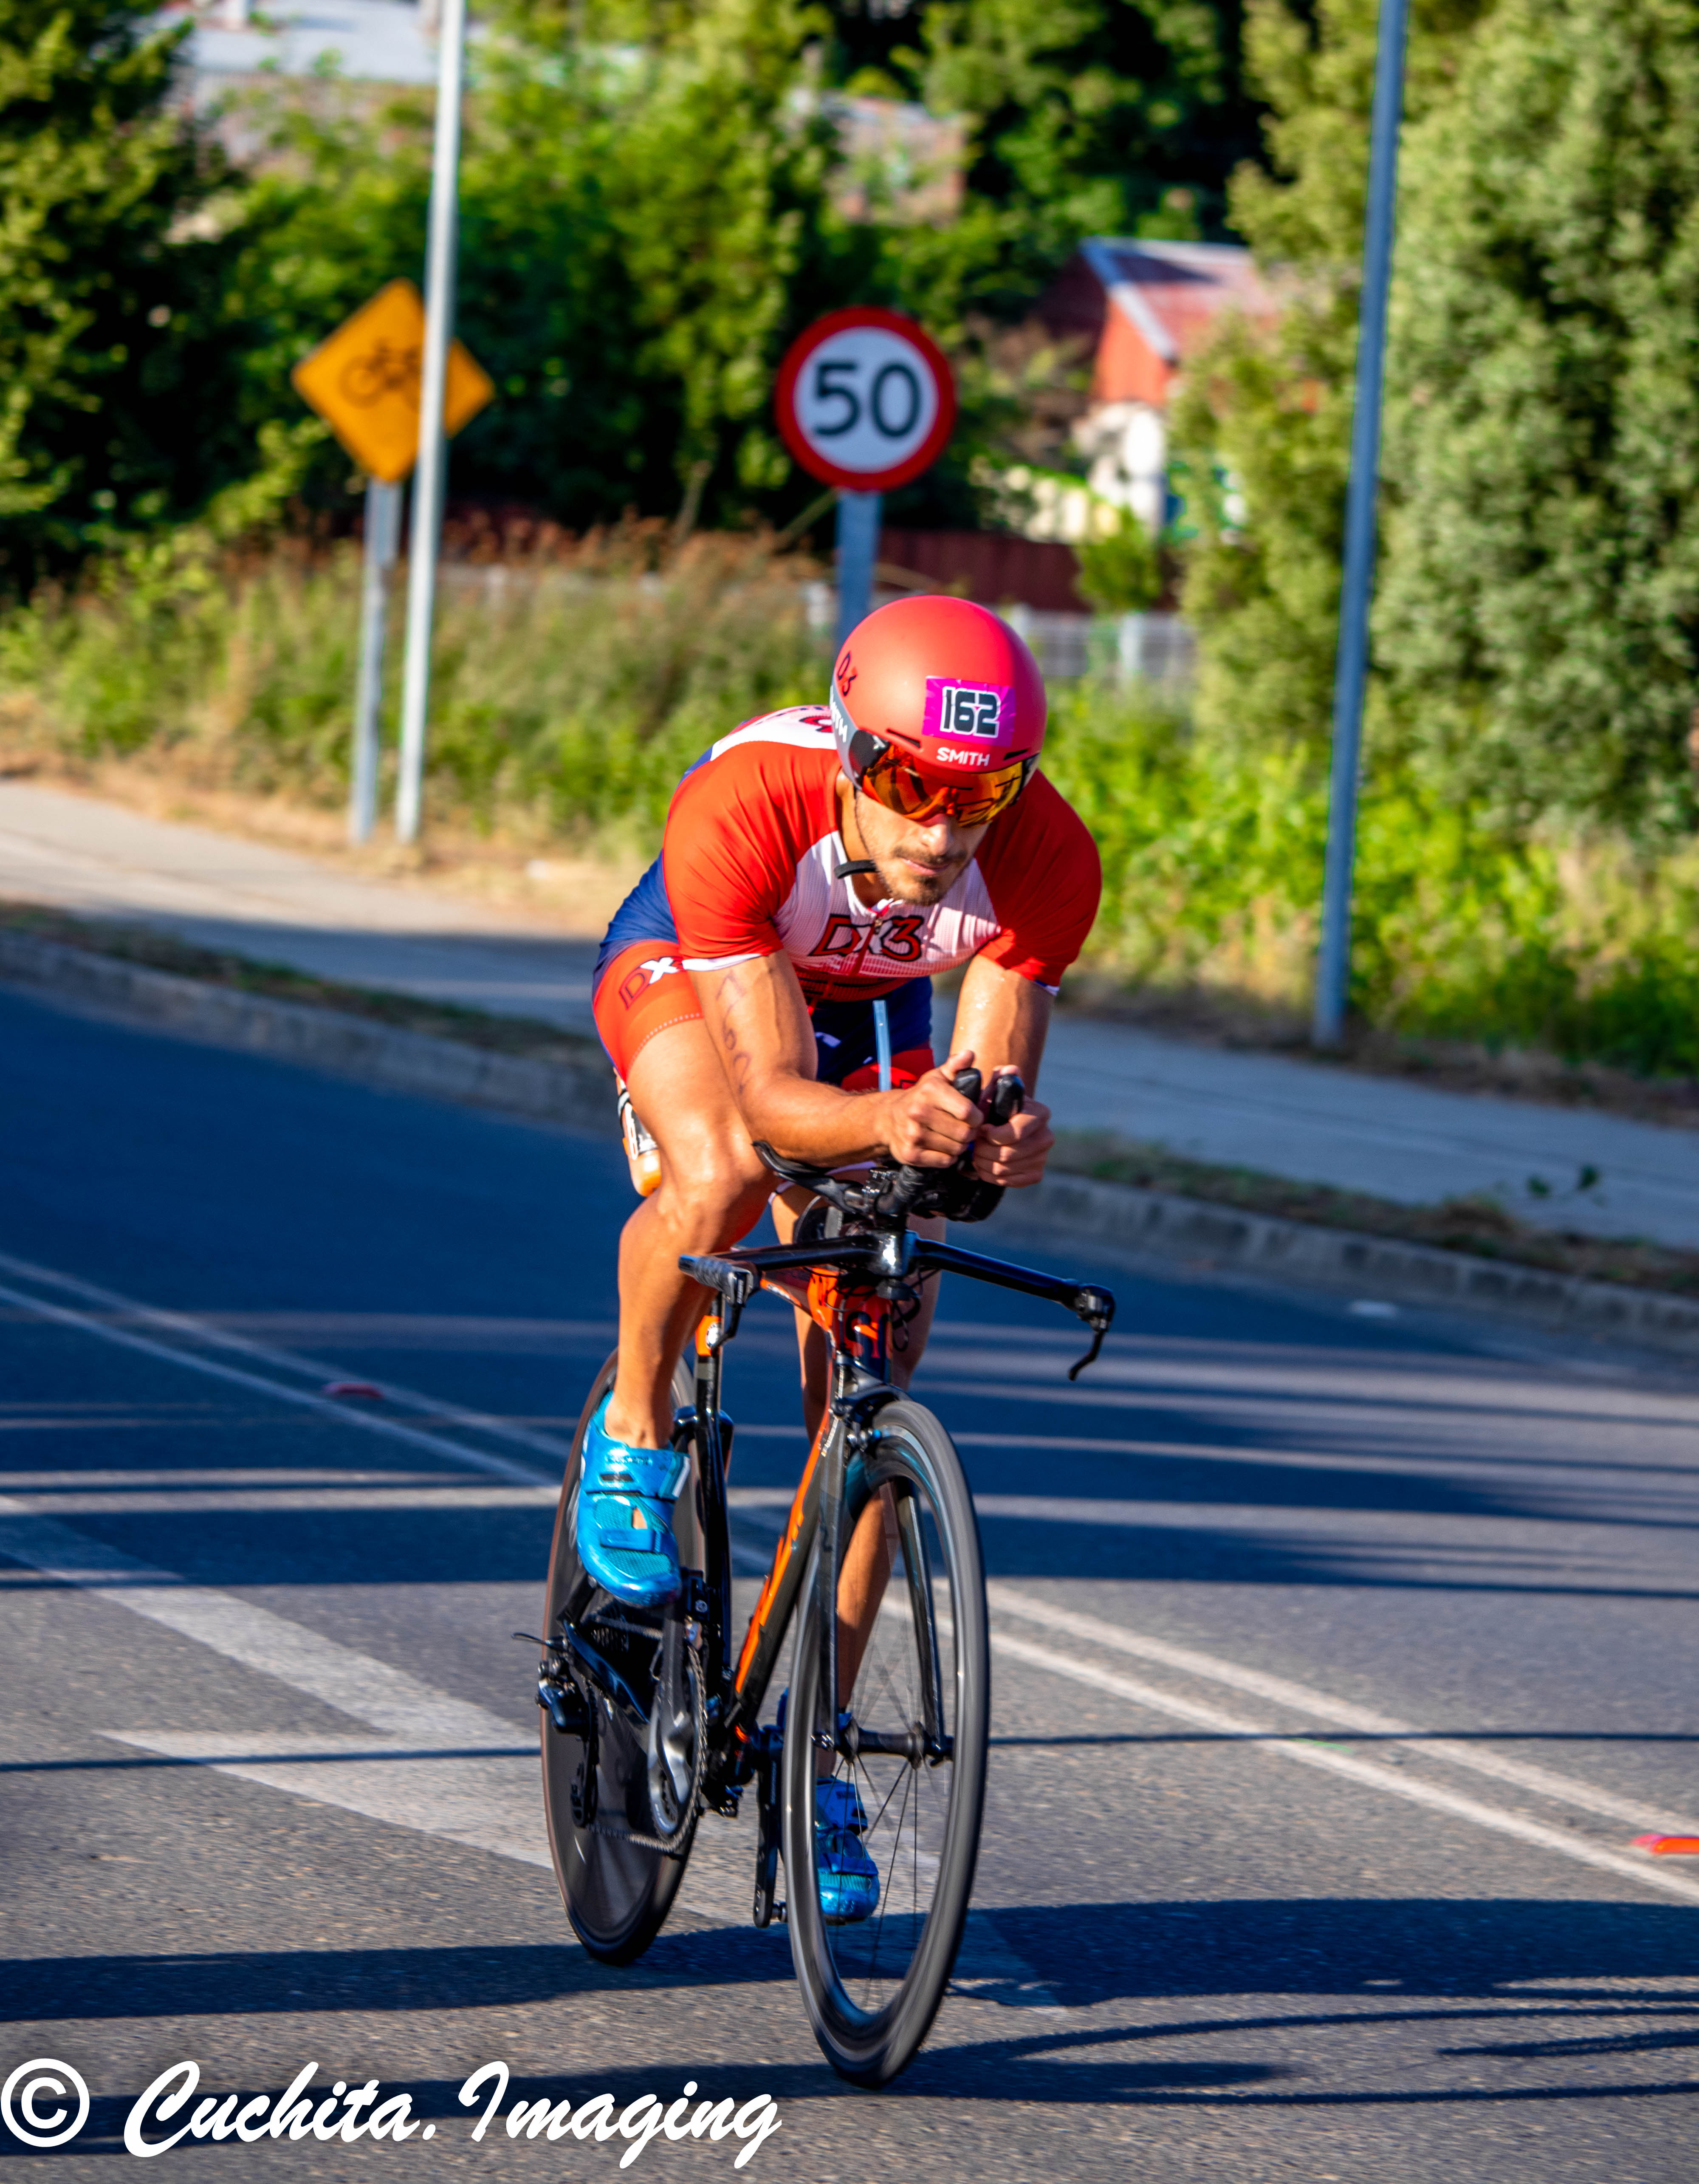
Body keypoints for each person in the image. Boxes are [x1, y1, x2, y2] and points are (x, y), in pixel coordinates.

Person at [582, 593, 1102, 1917]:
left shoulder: (1047, 859)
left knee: (876, 1354)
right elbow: (769, 1098)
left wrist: (987, 1148)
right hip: (709, 967)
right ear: (854, 756)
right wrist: (884, 1122)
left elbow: (976, 1103)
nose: (941, 830)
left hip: (878, 1003)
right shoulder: (750, 801)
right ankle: (634, 1430)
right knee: (726, 1175)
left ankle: (814, 1752)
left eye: (981, 797)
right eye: (911, 785)